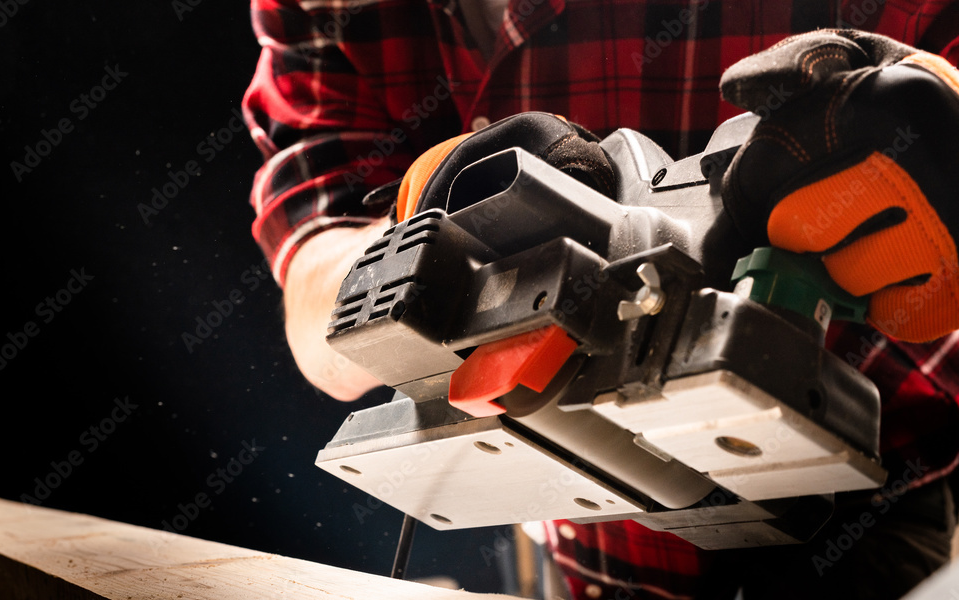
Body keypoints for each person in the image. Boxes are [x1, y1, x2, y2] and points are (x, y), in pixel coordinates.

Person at [242, 1, 959, 597]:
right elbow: (319, 308)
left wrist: (936, 129)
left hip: (868, 525)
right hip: (583, 538)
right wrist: (430, 224)